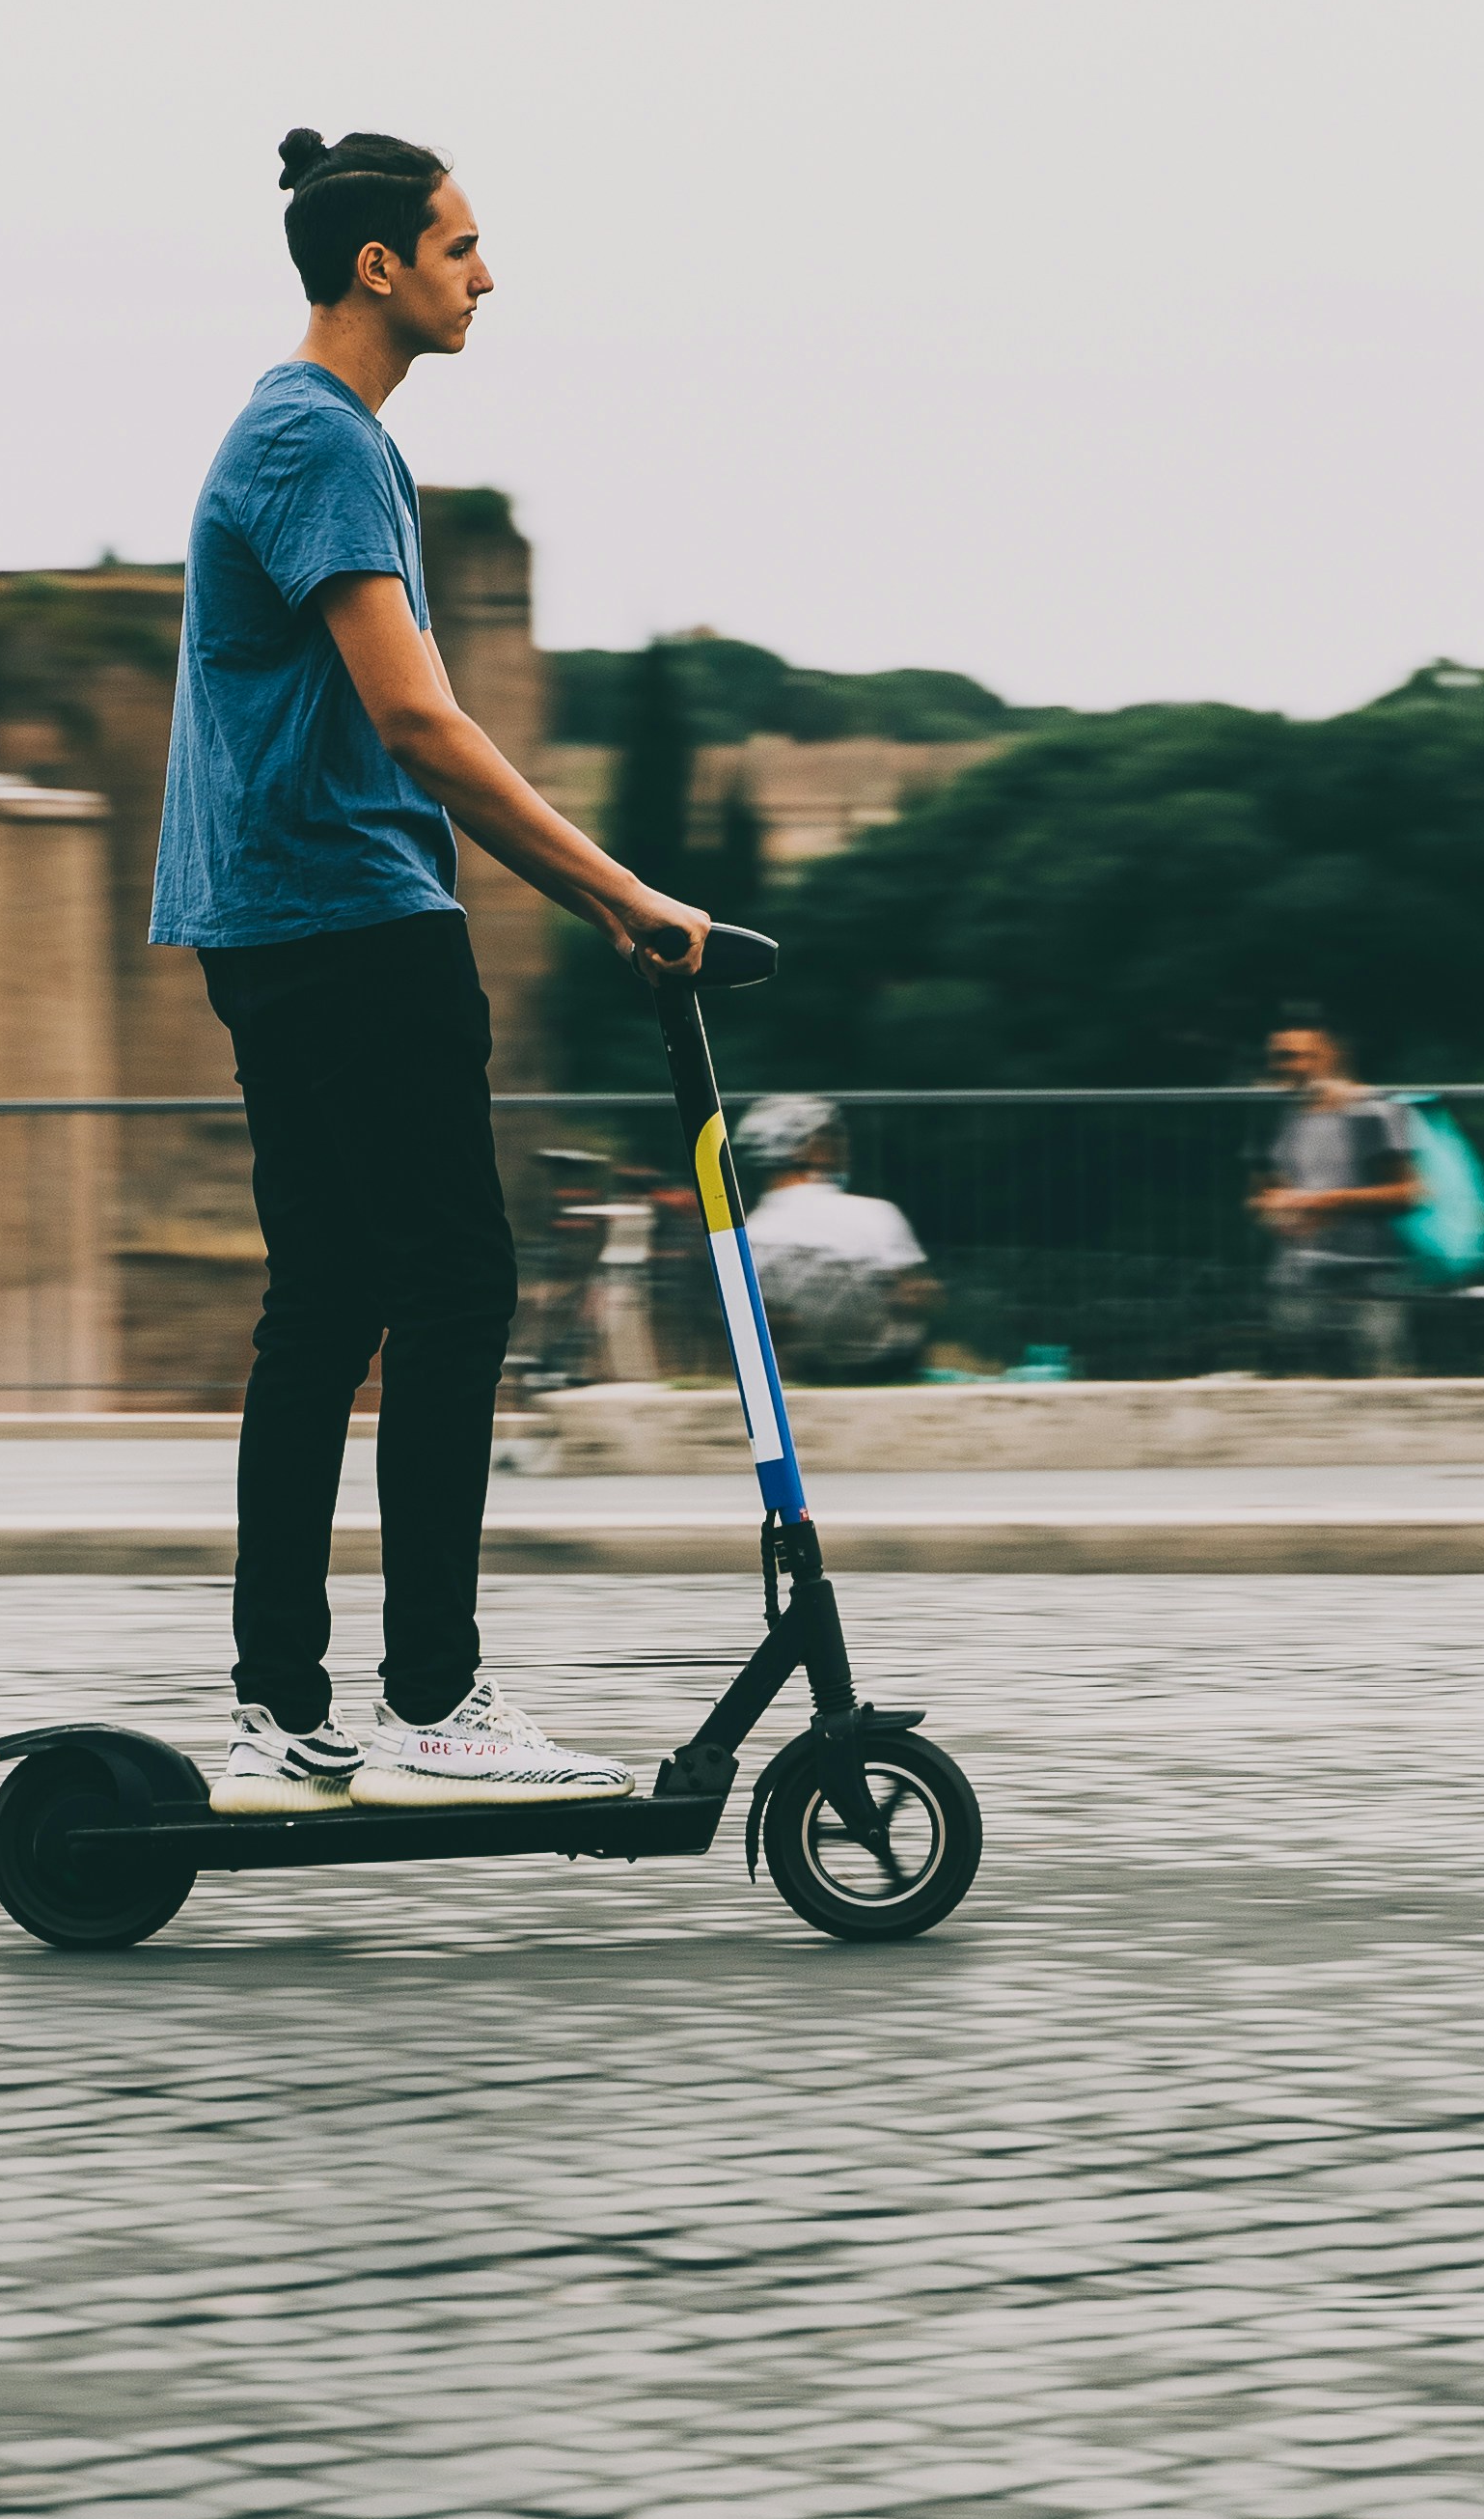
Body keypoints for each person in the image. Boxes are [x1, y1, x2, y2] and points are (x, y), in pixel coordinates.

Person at [151, 125, 711, 1811]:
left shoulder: (295, 427)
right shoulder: (321, 439)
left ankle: (283, 1714)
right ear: (379, 265)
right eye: (463, 245)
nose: (486, 274)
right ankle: (437, 1703)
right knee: (455, 1286)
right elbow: (415, 718)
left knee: (325, 1303)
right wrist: (622, 893)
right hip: (351, 916)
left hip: (268, 920)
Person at [1252, 1012, 1422, 1376]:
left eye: (1294, 1055)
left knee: (1383, 1382)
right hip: (1298, 1271)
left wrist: (1321, 1201)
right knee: (1299, 1384)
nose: (1282, 1066)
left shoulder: (1373, 1111)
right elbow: (1262, 1192)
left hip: (1370, 1273)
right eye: (1277, 1055)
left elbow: (1409, 1192)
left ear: (1330, 1056)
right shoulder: (1278, 1114)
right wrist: (1272, 1210)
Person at [735, 1097, 937, 1381]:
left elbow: (761, 1314)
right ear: (815, 1149)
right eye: (835, 1141)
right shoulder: (876, 1214)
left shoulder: (750, 1233)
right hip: (888, 1364)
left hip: (805, 1368)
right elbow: (917, 1295)